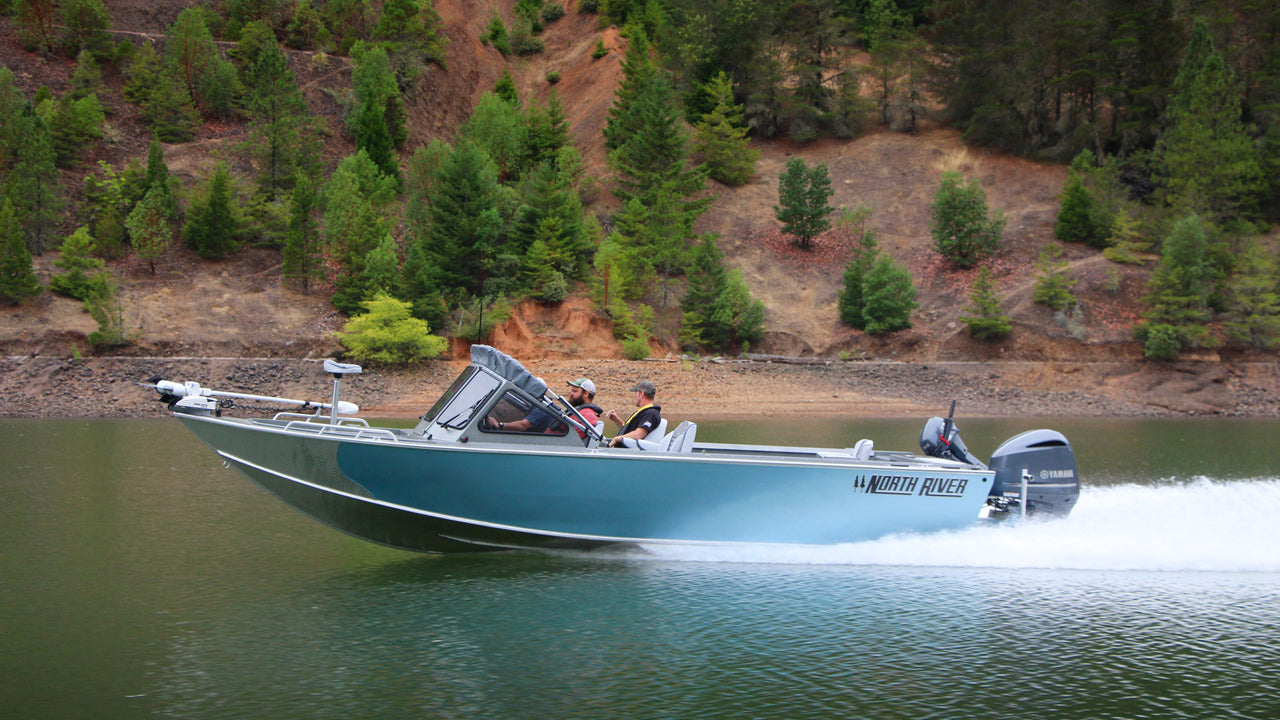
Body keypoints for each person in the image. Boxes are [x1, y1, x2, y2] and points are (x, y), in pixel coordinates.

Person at [606, 380, 661, 448]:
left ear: (641, 394)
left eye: (636, 393)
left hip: (626, 453)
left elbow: (638, 434)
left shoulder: (651, 413)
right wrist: (615, 419)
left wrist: (617, 438)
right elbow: (628, 432)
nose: (635, 396)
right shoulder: (643, 411)